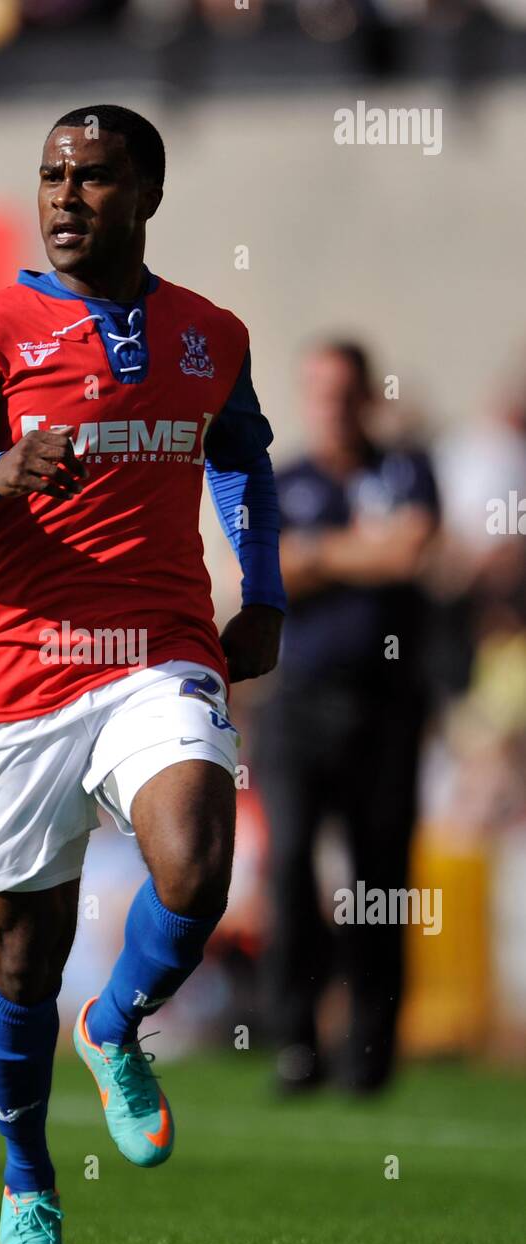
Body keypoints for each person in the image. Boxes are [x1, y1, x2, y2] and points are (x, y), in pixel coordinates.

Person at [0, 104, 285, 1244]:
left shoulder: (209, 333)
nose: (63, 198)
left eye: (92, 179)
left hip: (158, 648)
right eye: (50, 175)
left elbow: (240, 455)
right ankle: (26, 1179)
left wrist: (267, 592)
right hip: (12, 677)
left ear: (145, 191)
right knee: (17, 958)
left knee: (195, 860)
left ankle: (116, 1023)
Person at [254, 340, 439, 1096]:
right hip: (298, 705)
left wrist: (317, 556)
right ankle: (296, 1040)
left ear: (366, 396)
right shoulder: (284, 478)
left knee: (380, 878)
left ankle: (370, 1048)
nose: (331, 405)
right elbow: (265, 569)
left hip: (386, 707)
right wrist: (356, 552)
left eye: (343, 391)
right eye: (318, 391)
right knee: (290, 861)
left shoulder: (404, 470)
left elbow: (411, 551)